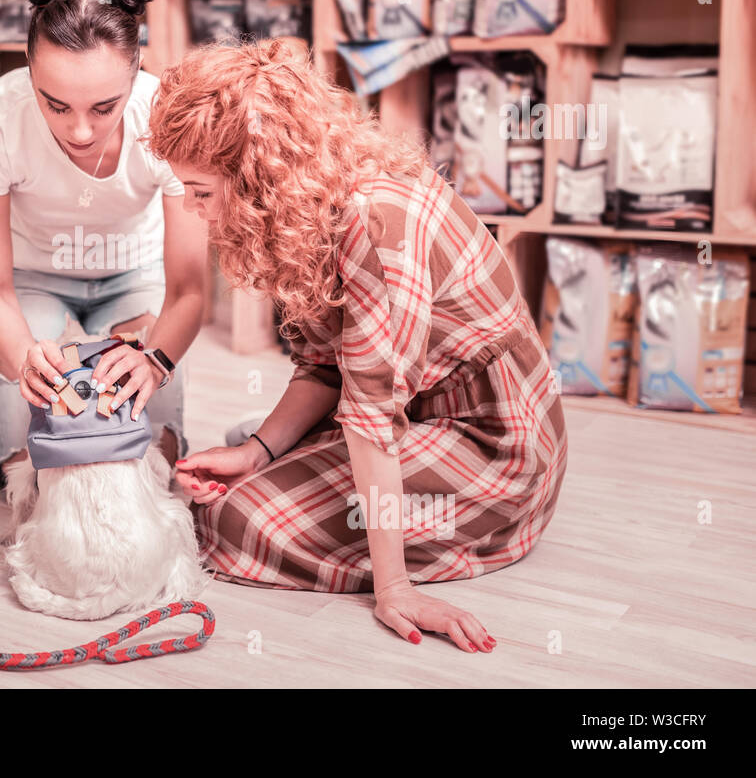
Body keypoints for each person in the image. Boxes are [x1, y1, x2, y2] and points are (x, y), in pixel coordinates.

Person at [146, 38, 568, 654]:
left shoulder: (374, 221)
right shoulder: (314, 200)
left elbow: (371, 417)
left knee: (230, 521)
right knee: (240, 460)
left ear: (259, 179)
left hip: (494, 444)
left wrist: (394, 589)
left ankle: (445, 536)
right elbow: (325, 363)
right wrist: (261, 452)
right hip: (419, 412)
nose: (192, 207)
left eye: (202, 191)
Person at [0, 0, 208, 489]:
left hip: (134, 274)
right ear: (28, 67)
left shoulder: (165, 120)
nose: (81, 129)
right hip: (33, 278)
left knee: (155, 459)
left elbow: (188, 291)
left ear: (135, 73)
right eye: (55, 104)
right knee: (26, 466)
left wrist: (155, 359)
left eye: (104, 106)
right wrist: (24, 358)